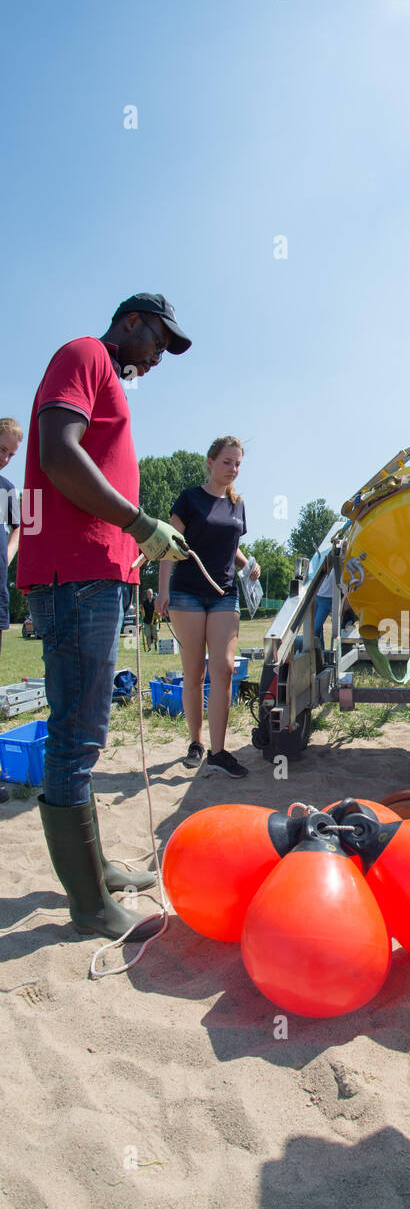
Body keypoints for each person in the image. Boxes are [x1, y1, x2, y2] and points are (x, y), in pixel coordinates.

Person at [17, 293, 192, 941]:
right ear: (132, 322)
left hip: (96, 574)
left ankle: (93, 874)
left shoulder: (101, 369)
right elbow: (59, 453)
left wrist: (130, 545)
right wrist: (137, 521)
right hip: (76, 577)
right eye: (158, 343)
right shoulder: (84, 353)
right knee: (76, 737)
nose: (158, 358)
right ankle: (90, 907)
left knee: (83, 737)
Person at [156, 436, 259, 777]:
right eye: (227, 462)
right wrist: (162, 591)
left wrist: (248, 564)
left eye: (238, 464)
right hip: (186, 593)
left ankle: (218, 751)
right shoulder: (190, 499)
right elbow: (169, 544)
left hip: (224, 593)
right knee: (195, 672)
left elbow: (229, 547)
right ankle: (196, 743)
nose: (234, 469)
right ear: (211, 462)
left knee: (225, 668)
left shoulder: (237, 505)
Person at [0, 418, 23, 804]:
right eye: (1, 449)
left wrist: (8, 554)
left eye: (10, 454)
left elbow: (21, 527)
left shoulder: (8, 489)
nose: (4, 459)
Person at [140, 586, 159, 651]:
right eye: (148, 594)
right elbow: (142, 612)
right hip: (146, 621)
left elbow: (158, 611)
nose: (149, 595)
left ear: (152, 594)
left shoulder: (156, 601)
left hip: (154, 621)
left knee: (155, 635)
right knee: (148, 635)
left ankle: (156, 644)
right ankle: (149, 648)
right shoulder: (144, 602)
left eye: (150, 593)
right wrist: (142, 619)